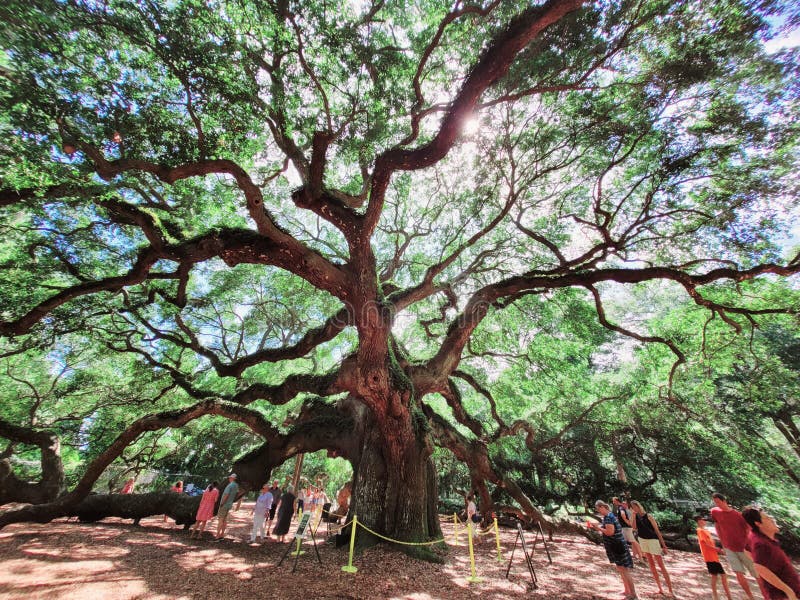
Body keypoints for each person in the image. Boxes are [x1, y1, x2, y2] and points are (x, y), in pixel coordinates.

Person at [742, 506, 800, 600]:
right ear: (758, 523)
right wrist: (788, 592)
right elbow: (760, 568)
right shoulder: (761, 544)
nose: (772, 519)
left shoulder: (755, 535)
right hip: (785, 595)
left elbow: (745, 550)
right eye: (767, 518)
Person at [711, 492, 759, 600]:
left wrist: (749, 544)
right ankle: (751, 597)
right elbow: (717, 525)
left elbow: (749, 529)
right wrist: (722, 542)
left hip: (743, 548)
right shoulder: (715, 512)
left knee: (756, 574)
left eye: (718, 502)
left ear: (724, 501)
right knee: (738, 573)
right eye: (715, 502)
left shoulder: (738, 515)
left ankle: (767, 594)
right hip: (729, 548)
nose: (717, 504)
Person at [588, 500, 638, 600]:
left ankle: (633, 594)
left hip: (618, 546)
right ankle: (627, 590)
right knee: (620, 568)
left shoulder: (609, 518)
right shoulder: (608, 516)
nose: (598, 511)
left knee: (624, 569)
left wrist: (598, 528)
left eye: (598, 509)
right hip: (616, 546)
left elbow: (610, 532)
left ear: (602, 507)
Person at [630, 500, 674, 597]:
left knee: (660, 565)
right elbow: (634, 528)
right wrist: (633, 516)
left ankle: (670, 590)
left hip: (653, 540)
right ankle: (660, 588)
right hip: (643, 540)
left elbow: (657, 531)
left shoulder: (648, 516)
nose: (634, 509)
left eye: (634, 507)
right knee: (651, 565)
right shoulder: (636, 516)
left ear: (638, 506)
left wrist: (663, 545)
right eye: (632, 507)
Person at [696, 515, 733, 600]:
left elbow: (710, 543)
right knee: (722, 575)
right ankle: (727, 596)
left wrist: (717, 550)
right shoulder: (700, 531)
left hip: (713, 557)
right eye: (703, 519)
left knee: (715, 576)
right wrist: (717, 549)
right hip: (710, 557)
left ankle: (716, 596)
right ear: (699, 521)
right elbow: (705, 544)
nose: (704, 521)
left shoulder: (706, 531)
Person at [215, 473, 239, 540]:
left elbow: (226, 495)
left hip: (224, 504)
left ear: (232, 478)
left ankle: (217, 536)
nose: (229, 479)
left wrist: (222, 503)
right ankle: (222, 535)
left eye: (230, 478)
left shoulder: (230, 485)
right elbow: (237, 494)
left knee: (220, 520)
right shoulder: (236, 485)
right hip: (229, 504)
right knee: (225, 520)